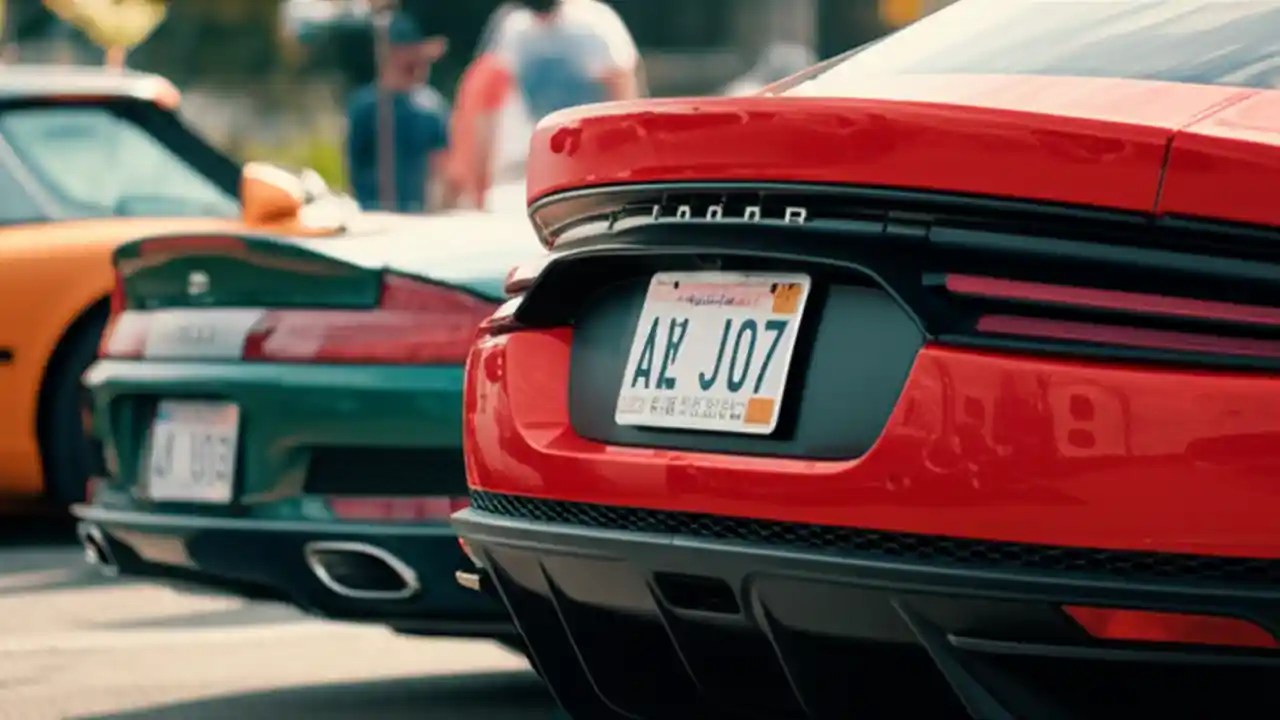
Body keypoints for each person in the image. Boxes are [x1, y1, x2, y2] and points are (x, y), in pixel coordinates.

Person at [345, 12, 451, 213]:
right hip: (374, 216)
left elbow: (441, 169)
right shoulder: (366, 107)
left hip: (417, 217)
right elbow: (353, 167)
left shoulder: (431, 108)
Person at [444, 2, 535, 210]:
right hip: (507, 184)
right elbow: (482, 133)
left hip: (502, 184)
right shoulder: (494, 73)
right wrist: (478, 195)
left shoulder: (478, 74)